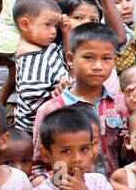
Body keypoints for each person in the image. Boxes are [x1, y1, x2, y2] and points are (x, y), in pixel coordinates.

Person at [30, 22, 126, 178]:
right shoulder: (52, 109)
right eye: (88, 57)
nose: (97, 66)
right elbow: (39, 167)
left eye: (106, 58)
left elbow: (129, 158)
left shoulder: (121, 105)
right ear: (70, 58)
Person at [8, 0, 67, 132]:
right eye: (47, 24)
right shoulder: (32, 57)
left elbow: (67, 61)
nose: (53, 31)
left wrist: (66, 32)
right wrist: (57, 97)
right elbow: (33, 98)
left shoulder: (43, 46)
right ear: (25, 25)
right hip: (37, 127)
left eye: (56, 26)